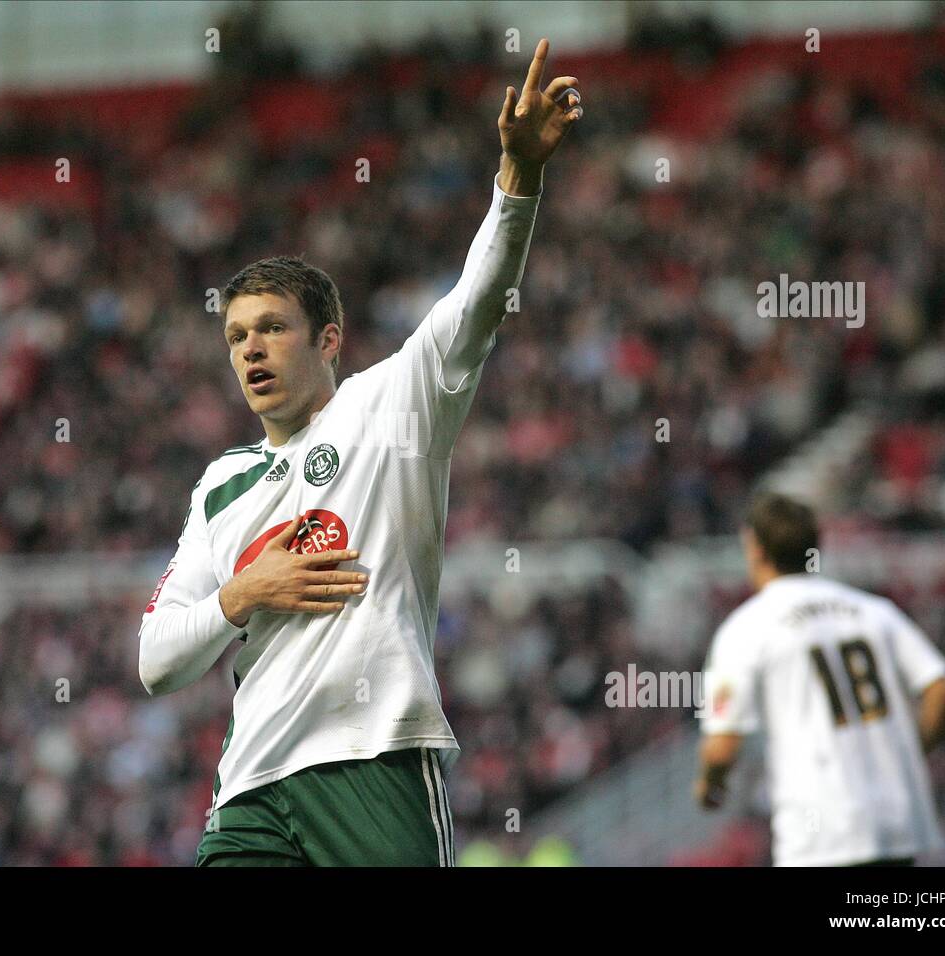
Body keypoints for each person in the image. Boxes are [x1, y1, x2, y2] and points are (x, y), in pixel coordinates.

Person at [136, 39, 581, 866]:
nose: (250, 351)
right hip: (251, 790)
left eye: (271, 328)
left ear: (329, 339)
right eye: (236, 336)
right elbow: (157, 661)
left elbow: (476, 303)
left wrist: (517, 178)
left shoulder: (391, 405)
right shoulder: (220, 486)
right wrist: (242, 594)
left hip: (373, 756)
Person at [695, 492, 945, 866]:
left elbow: (721, 748)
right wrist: (912, 753)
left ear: (755, 548)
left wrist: (710, 784)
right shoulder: (873, 610)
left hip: (821, 834)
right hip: (898, 823)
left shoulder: (746, 628)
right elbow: (943, 690)